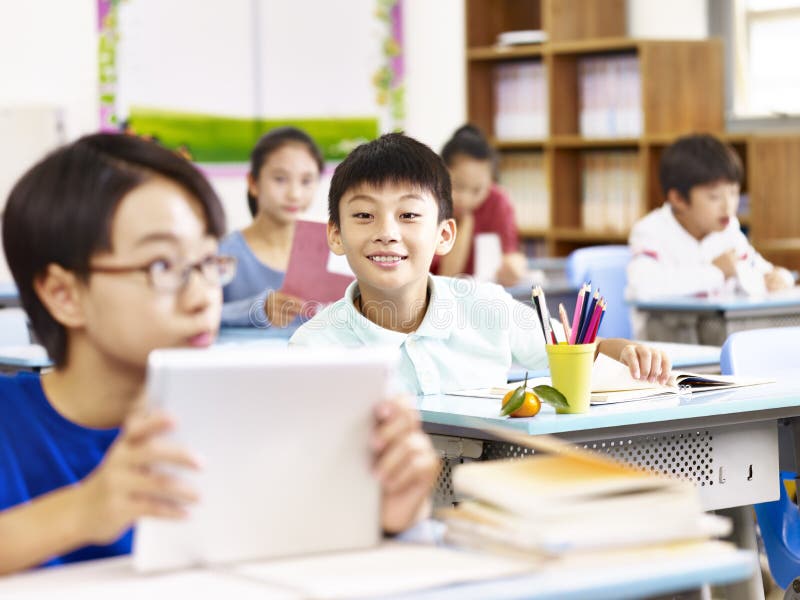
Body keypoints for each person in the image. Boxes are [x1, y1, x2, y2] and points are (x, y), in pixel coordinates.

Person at [0, 133, 439, 574]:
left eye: (209, 263)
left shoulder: (250, 416)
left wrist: (388, 518)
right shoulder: (9, 424)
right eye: (162, 266)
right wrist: (85, 511)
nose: (202, 298)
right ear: (64, 294)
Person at [290, 132, 671, 395]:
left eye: (408, 215)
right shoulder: (313, 349)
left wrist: (625, 350)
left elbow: (578, 350)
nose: (387, 232)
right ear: (335, 235)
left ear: (444, 235)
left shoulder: (487, 307)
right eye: (363, 216)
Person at [627, 133, 794, 300]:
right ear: (678, 199)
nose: (728, 205)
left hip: (721, 324)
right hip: (668, 326)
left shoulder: (728, 230)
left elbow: (760, 268)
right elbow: (642, 287)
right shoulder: (651, 231)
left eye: (733, 193)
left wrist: (781, 277)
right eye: (714, 196)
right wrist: (716, 271)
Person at [220, 127, 324, 329]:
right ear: (253, 182)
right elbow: (190, 317)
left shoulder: (334, 256)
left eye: (306, 181)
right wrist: (256, 310)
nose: (295, 194)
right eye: (280, 179)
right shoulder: (222, 254)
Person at [431, 124, 526, 286]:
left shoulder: (497, 200)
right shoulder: (430, 201)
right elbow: (445, 278)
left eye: (477, 190)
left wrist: (515, 266)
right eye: (458, 186)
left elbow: (511, 253)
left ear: (490, 182)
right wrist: (467, 222)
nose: (466, 199)